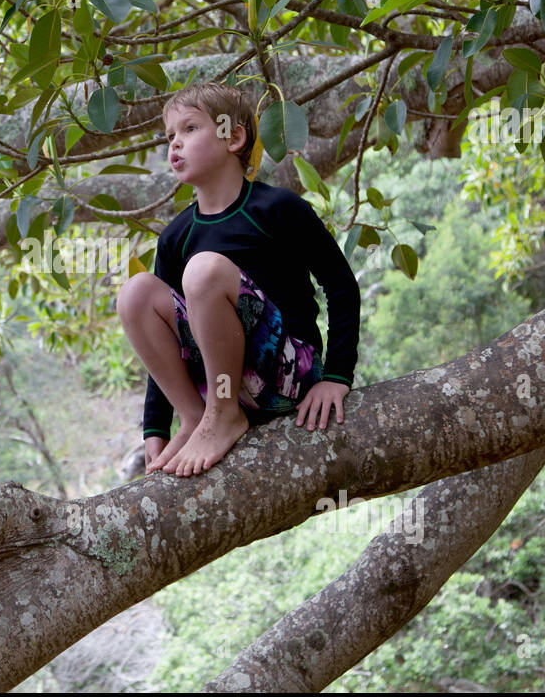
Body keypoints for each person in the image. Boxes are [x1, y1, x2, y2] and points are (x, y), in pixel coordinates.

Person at [116, 81, 361, 478]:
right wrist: (155, 430)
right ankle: (197, 418)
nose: (174, 144)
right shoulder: (176, 237)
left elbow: (341, 286)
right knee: (136, 292)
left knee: (204, 270)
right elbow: (166, 336)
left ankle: (223, 414)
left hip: (287, 377)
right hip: (213, 385)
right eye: (169, 136)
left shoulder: (278, 208)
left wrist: (337, 377)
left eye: (189, 129)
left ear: (234, 137)